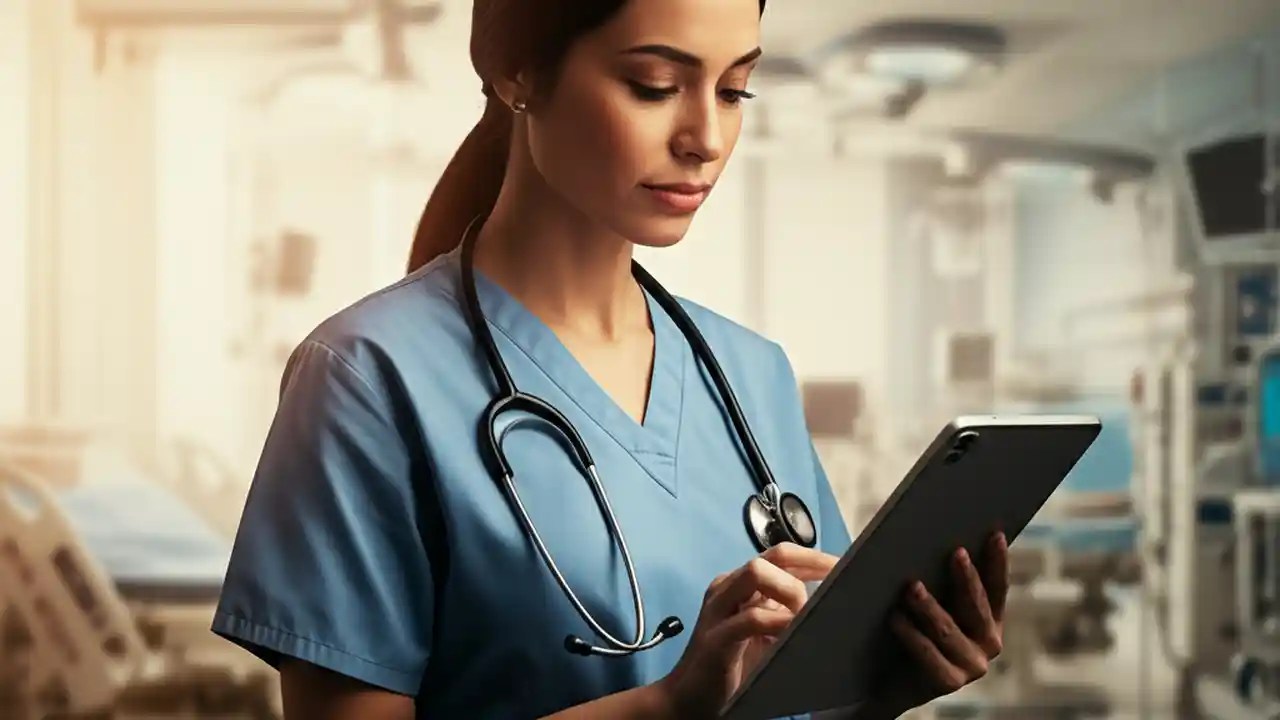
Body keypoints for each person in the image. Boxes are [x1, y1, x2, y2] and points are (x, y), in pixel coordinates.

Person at [210, 0, 1010, 718]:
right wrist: (665, 708)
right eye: (656, 84)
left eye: (735, 91)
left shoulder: (750, 373)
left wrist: (882, 694)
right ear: (518, 73)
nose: (706, 138)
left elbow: (788, 698)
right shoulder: (366, 379)